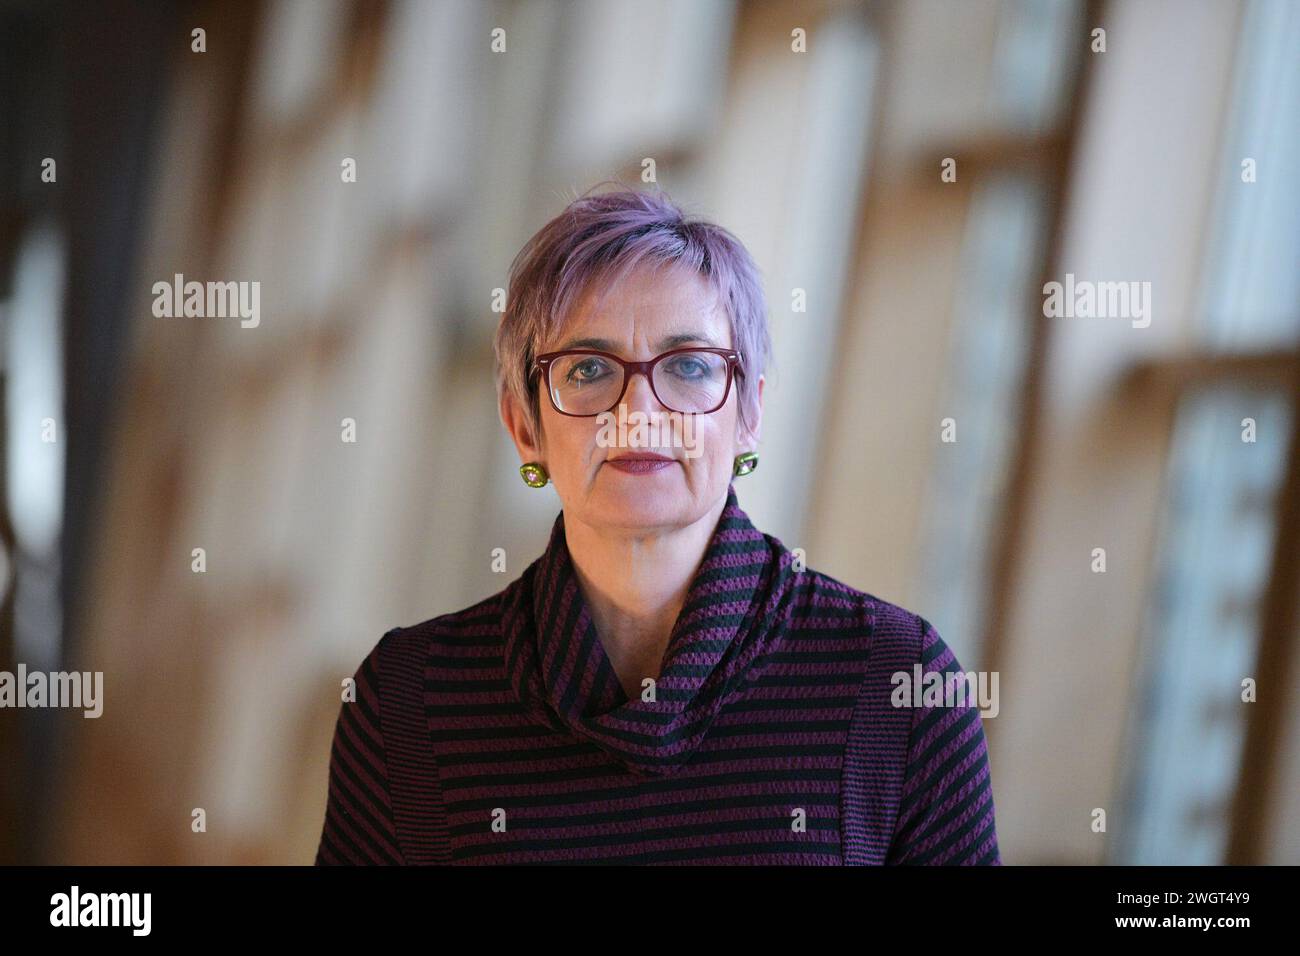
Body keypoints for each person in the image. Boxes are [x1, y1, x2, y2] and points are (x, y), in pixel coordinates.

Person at [314, 182, 1001, 864]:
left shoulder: (899, 689)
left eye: (690, 367)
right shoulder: (407, 702)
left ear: (749, 415)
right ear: (525, 425)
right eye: (587, 368)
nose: (639, 410)